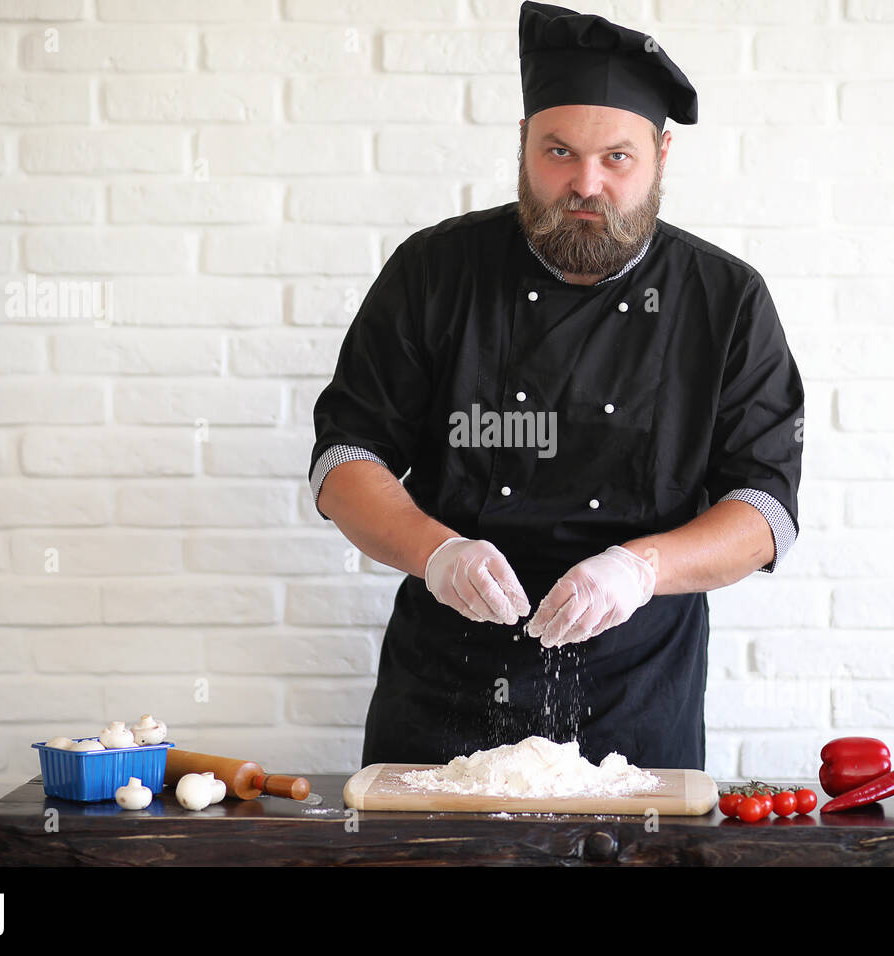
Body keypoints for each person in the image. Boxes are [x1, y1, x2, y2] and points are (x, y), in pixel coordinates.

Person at [309, 1, 804, 770]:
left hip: (634, 693)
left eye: (616, 158)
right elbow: (345, 461)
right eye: (559, 152)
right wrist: (438, 552)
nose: (585, 183)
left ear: (662, 156)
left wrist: (641, 570)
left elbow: (765, 508)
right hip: (446, 684)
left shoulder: (725, 299)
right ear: (522, 145)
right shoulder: (434, 273)